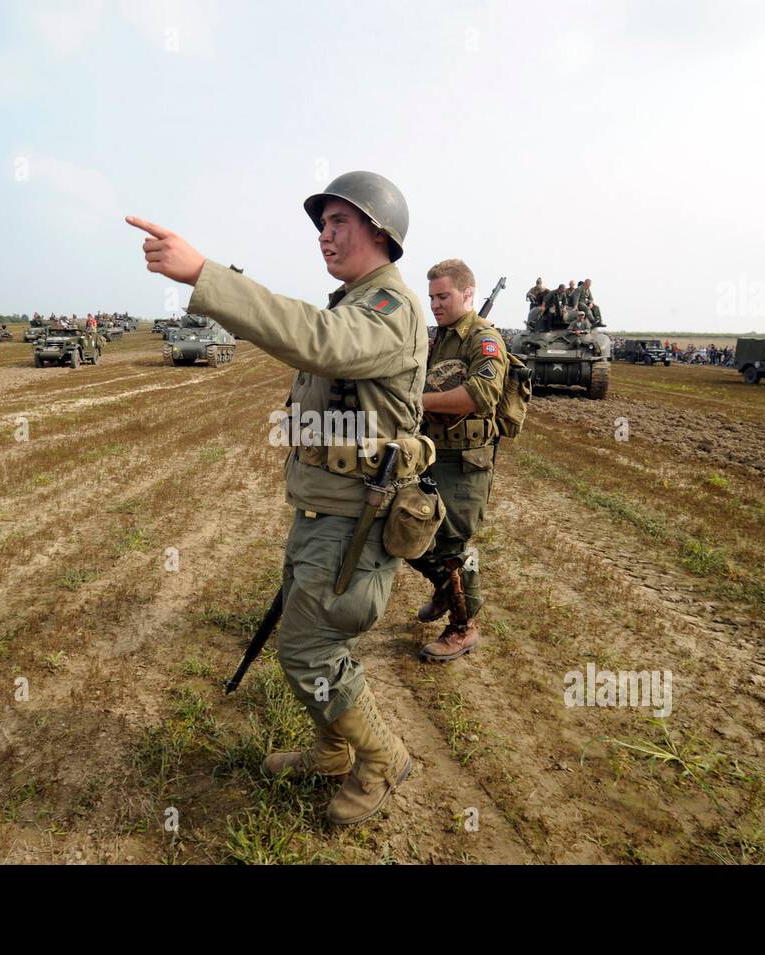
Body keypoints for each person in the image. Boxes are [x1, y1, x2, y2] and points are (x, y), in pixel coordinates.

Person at [126, 171, 426, 826]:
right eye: (321, 224)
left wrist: (205, 274)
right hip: (326, 511)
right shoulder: (353, 303)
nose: (325, 235)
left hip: (358, 521)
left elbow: (315, 339)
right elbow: (310, 339)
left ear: (379, 230)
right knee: (302, 634)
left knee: (310, 648)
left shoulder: (389, 309)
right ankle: (333, 748)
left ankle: (381, 757)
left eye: (338, 222)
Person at [411, 259, 507, 662]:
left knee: (450, 544)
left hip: (465, 462)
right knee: (409, 531)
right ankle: (445, 591)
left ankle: (463, 627)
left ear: (468, 293)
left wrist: (416, 402)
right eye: (431, 296)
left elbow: (480, 395)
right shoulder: (441, 338)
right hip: (432, 453)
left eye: (443, 296)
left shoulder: (483, 338)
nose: (434, 303)